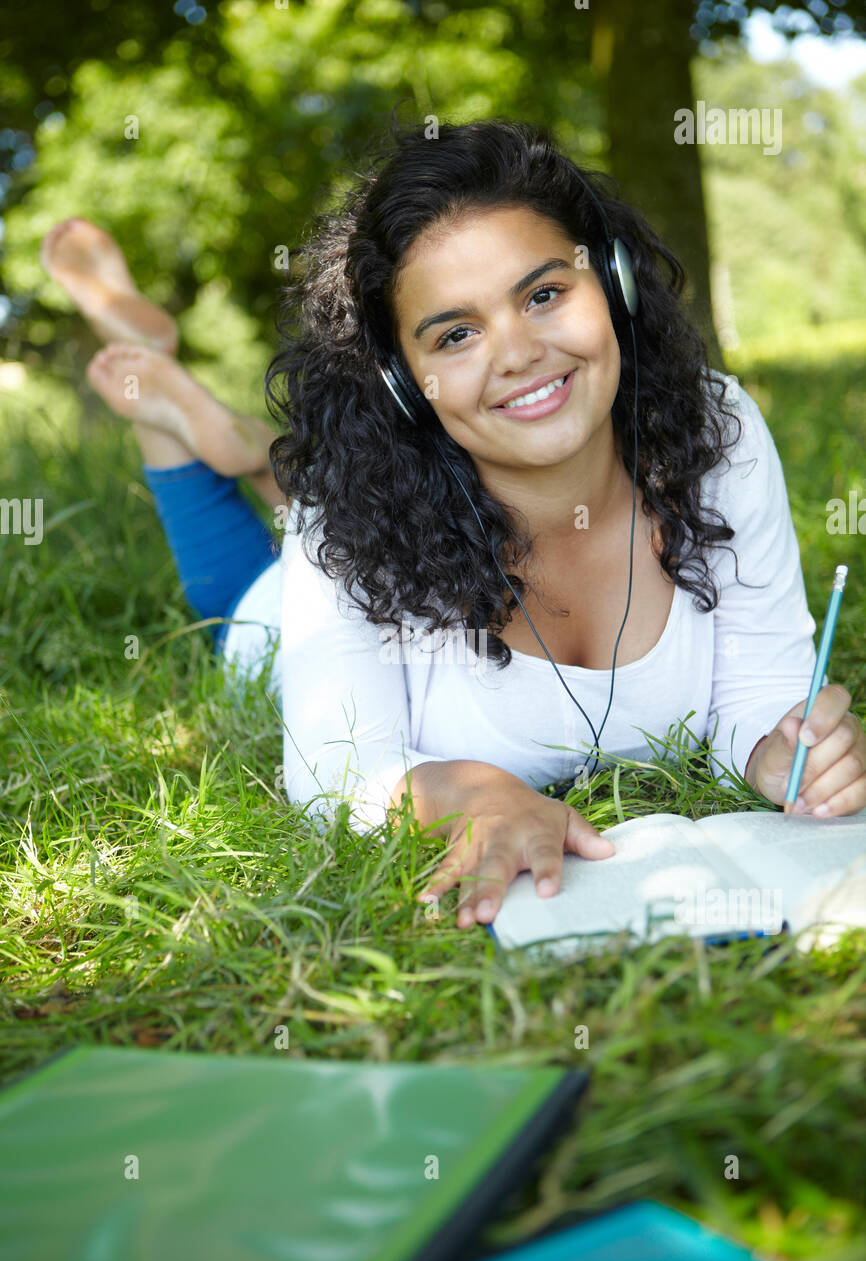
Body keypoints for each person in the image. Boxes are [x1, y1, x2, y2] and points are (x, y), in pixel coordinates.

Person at [44, 118, 866, 934]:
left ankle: (248, 452)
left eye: (545, 294)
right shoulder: (349, 516)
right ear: (406, 384)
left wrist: (776, 750)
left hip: (378, 486)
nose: (517, 354)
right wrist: (464, 793)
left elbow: (758, 686)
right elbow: (335, 767)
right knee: (230, 598)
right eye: (457, 334)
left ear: (611, 283)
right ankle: (162, 408)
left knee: (306, 500)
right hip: (290, 592)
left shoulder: (717, 429)